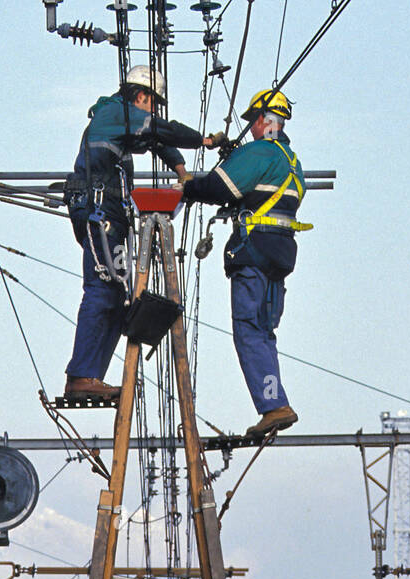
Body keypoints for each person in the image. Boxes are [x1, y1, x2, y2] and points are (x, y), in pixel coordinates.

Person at [63, 66, 224, 403]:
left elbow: (155, 139)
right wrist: (204, 141)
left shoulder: (120, 122)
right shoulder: (115, 113)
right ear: (141, 97)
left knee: (117, 299)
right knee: (101, 289)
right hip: (99, 211)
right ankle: (80, 375)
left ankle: (89, 375)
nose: (151, 111)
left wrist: (180, 168)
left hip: (111, 215)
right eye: (152, 104)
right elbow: (161, 130)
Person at [181, 87, 311, 440]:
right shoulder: (292, 161)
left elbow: (221, 187)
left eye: (253, 121)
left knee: (248, 331)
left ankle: (274, 406)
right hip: (280, 255)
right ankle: (274, 402)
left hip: (253, 252)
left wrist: (189, 187)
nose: (251, 129)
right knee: (263, 332)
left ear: (262, 120)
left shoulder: (260, 152)